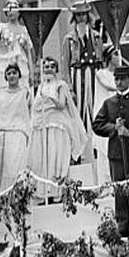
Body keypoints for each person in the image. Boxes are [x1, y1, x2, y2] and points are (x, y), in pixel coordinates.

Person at [91, 62, 129, 238]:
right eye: (117, 79)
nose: (120, 82)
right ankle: (122, 225)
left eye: (123, 79)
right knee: (119, 191)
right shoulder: (109, 103)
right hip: (116, 155)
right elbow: (97, 125)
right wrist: (113, 128)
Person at [29, 56, 87, 200]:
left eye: (51, 66)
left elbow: (61, 104)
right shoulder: (41, 87)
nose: (48, 69)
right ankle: (44, 192)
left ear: (56, 70)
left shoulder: (60, 85)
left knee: (56, 158)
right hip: (43, 126)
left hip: (57, 126)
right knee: (44, 159)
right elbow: (36, 107)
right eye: (46, 67)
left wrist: (50, 98)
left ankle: (57, 192)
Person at [62, 0, 108, 145]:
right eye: (78, 15)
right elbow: (65, 65)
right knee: (79, 111)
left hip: (94, 73)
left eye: (83, 14)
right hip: (78, 74)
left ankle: (97, 143)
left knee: (96, 107)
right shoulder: (69, 39)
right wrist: (69, 86)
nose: (81, 18)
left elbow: (102, 60)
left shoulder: (96, 36)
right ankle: (80, 146)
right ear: (74, 17)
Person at [0, 62, 33, 191]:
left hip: (17, 133)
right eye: (8, 73)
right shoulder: (1, 92)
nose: (11, 76)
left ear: (19, 75)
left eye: (14, 73)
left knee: (15, 168)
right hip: (1, 133)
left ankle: (16, 197)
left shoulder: (25, 93)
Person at [0, 0, 35, 92]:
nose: (11, 12)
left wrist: (32, 72)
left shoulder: (25, 30)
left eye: (13, 9)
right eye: (8, 9)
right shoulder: (0, 28)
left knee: (23, 92)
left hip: (21, 66)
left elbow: (29, 54)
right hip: (4, 67)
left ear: (19, 12)